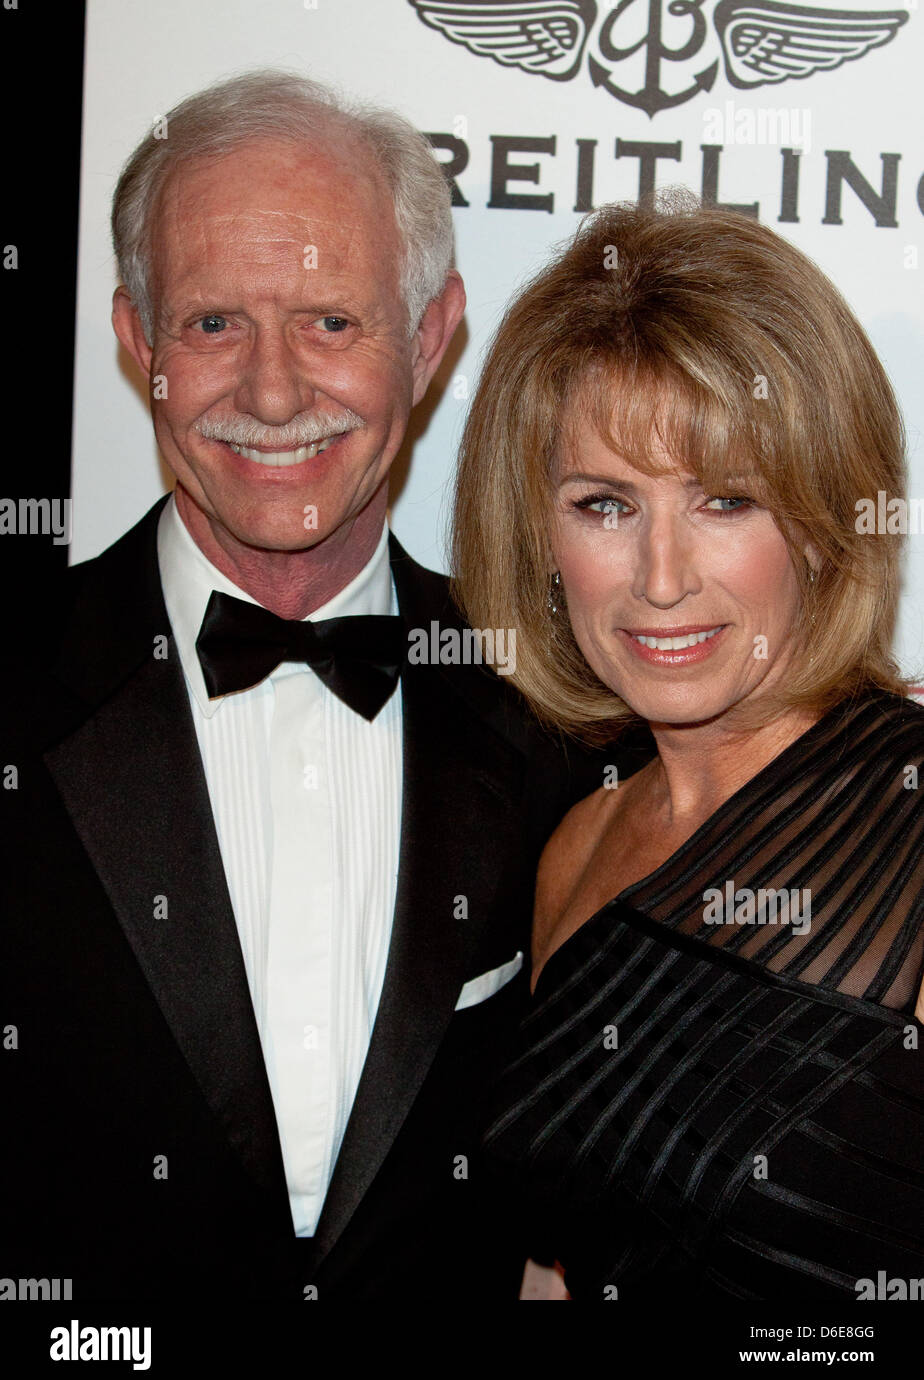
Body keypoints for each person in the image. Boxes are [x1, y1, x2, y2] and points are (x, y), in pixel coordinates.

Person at [0, 71, 644, 1302]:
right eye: (212, 325)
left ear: (431, 336)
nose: (276, 393)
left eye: (332, 323)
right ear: (140, 342)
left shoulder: (566, 712)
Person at [451, 195, 924, 1300]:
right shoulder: (576, 847)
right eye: (605, 504)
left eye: (724, 499)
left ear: (819, 518)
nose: (661, 578)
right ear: (540, 534)